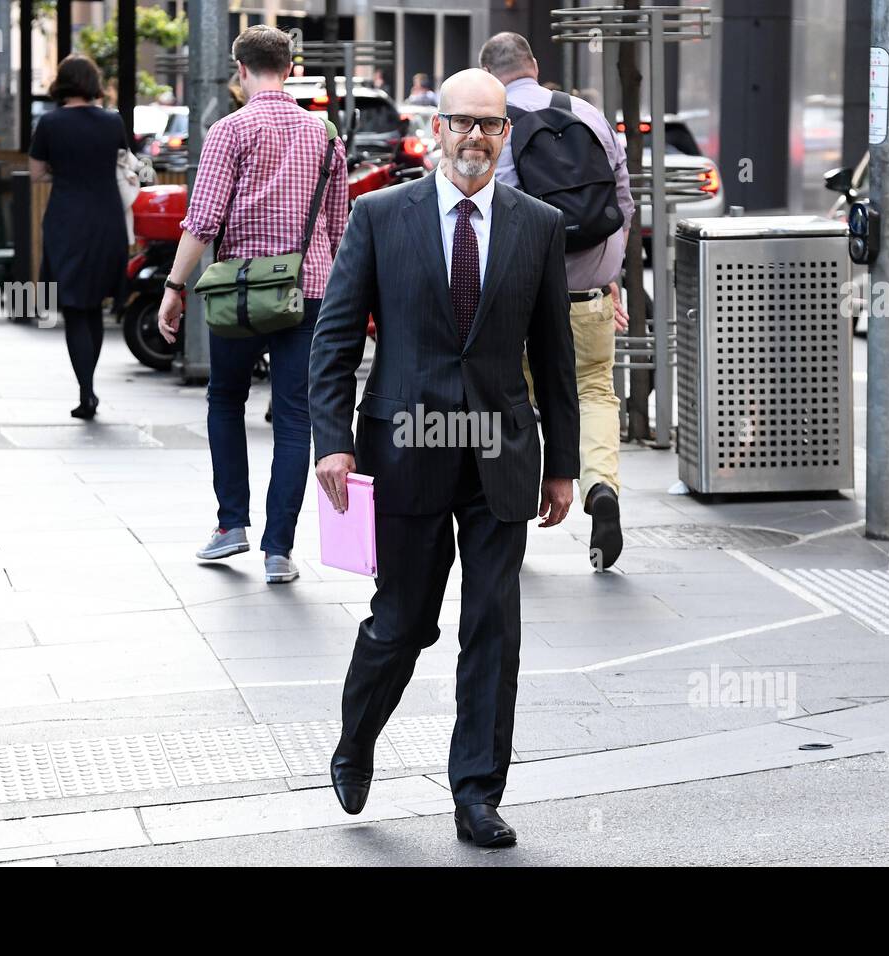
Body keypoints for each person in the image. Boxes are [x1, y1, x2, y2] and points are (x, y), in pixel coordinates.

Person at [310, 68, 579, 847]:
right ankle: (356, 739)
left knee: (494, 628)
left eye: (489, 126)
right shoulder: (379, 215)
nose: (474, 138)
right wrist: (332, 441)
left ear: (507, 134)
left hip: (501, 453)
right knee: (402, 624)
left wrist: (562, 463)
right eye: (460, 123)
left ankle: (476, 796)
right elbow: (333, 339)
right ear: (437, 128)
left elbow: (554, 356)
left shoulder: (537, 225)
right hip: (407, 452)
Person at [156, 25, 348, 585]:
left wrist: (174, 287)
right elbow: (339, 232)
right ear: (289, 69)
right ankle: (278, 550)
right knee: (294, 418)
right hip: (309, 290)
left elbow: (202, 221)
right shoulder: (325, 136)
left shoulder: (229, 130)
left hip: (239, 292)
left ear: (240, 70)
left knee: (225, 401)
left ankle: (231, 524)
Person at [482, 31, 634, 570]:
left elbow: (489, 214)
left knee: (512, 402)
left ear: (487, 76)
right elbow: (622, 201)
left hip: (519, 300)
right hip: (589, 293)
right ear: (535, 65)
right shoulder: (586, 115)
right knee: (593, 390)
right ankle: (599, 488)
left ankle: (515, 513)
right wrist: (607, 272)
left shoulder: (493, 126)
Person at [28, 54, 129, 420]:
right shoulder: (112, 121)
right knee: (95, 305)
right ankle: (88, 386)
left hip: (67, 218)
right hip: (106, 219)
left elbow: (37, 173)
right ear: (93, 83)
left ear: (62, 83)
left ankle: (86, 390)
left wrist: (64, 173)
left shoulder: (50, 124)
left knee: (74, 307)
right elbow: (123, 164)